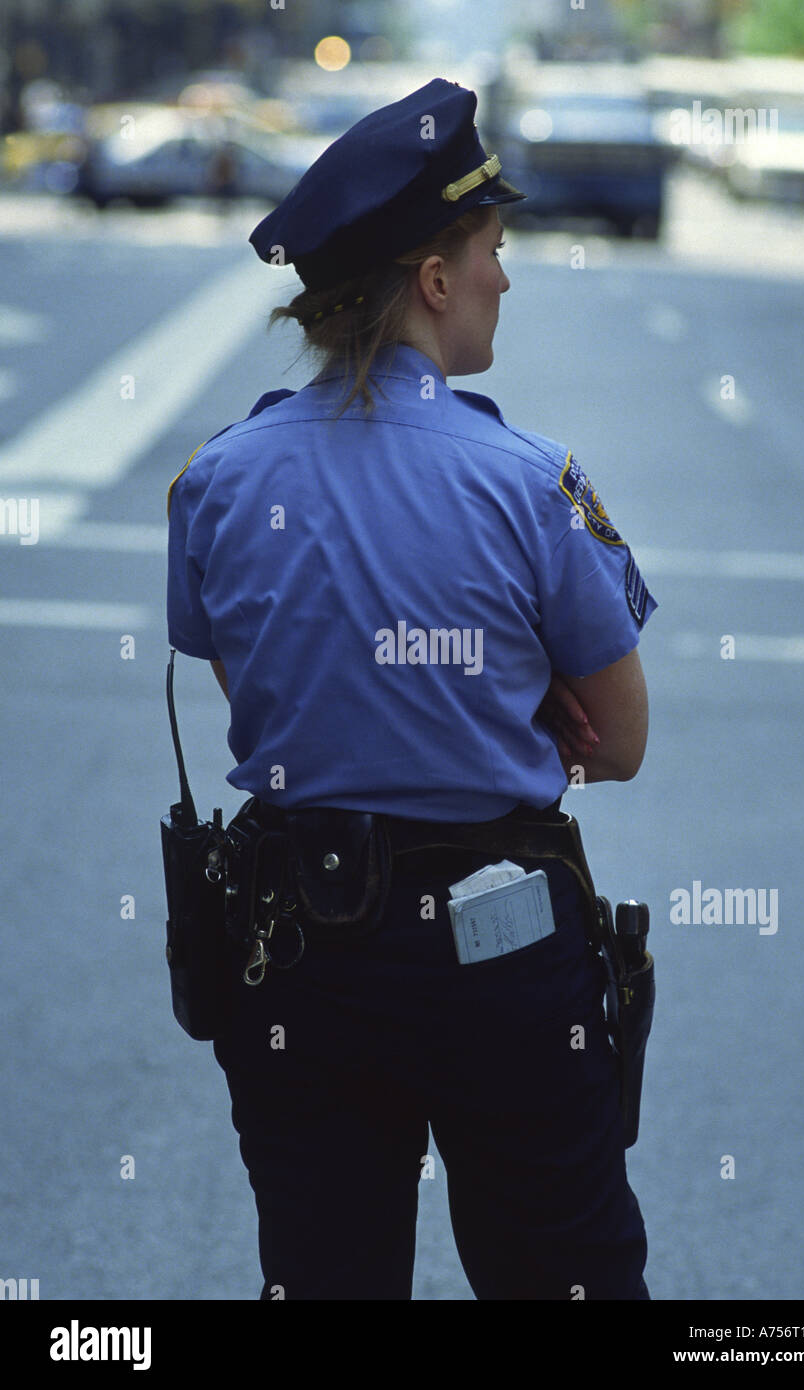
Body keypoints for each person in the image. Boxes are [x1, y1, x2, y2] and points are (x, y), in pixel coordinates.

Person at [166, 77, 657, 1301]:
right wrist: (513, 695)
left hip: (302, 956)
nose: (506, 275)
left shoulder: (217, 480)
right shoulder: (532, 479)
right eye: (492, 249)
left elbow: (265, 697)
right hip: (505, 960)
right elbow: (624, 739)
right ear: (434, 280)